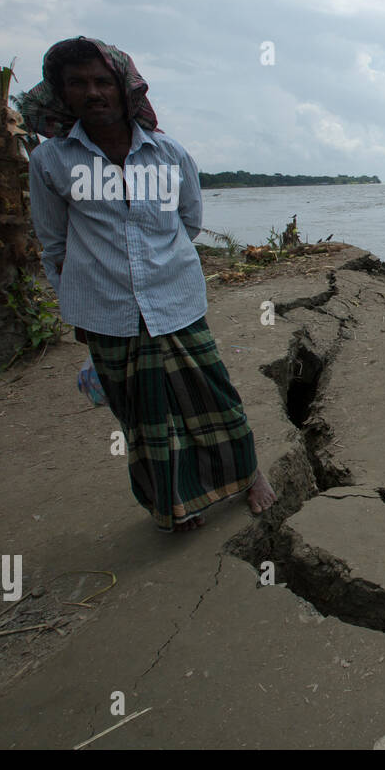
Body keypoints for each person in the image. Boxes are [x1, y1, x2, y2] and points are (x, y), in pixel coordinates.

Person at [23, 36, 277, 533]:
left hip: (176, 300)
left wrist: (158, 267)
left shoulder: (168, 154)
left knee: (214, 396)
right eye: (78, 84)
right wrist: (76, 309)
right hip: (105, 310)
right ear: (62, 93)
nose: (92, 93)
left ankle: (248, 476)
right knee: (144, 418)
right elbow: (55, 247)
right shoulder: (51, 162)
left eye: (102, 81)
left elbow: (189, 221)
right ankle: (175, 503)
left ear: (124, 87)